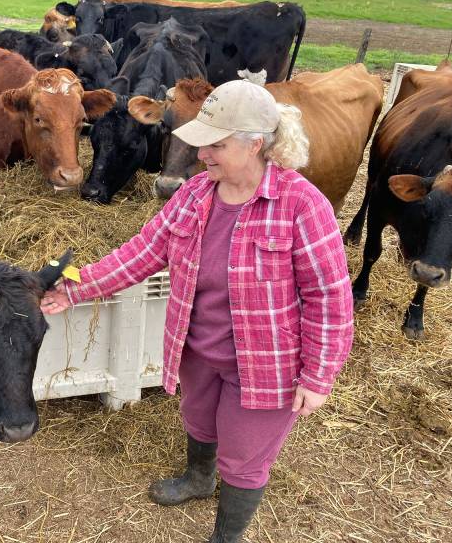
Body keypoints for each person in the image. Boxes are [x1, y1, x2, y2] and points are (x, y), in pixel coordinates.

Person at [41, 79, 354, 542]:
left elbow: (330, 298)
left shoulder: (302, 205)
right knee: (200, 419)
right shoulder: (194, 195)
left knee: (245, 456)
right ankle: (199, 477)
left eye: (217, 145)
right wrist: (73, 287)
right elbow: (140, 252)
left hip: (266, 365)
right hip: (198, 348)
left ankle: (226, 537)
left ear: (255, 145)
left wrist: (318, 376)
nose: (202, 154)